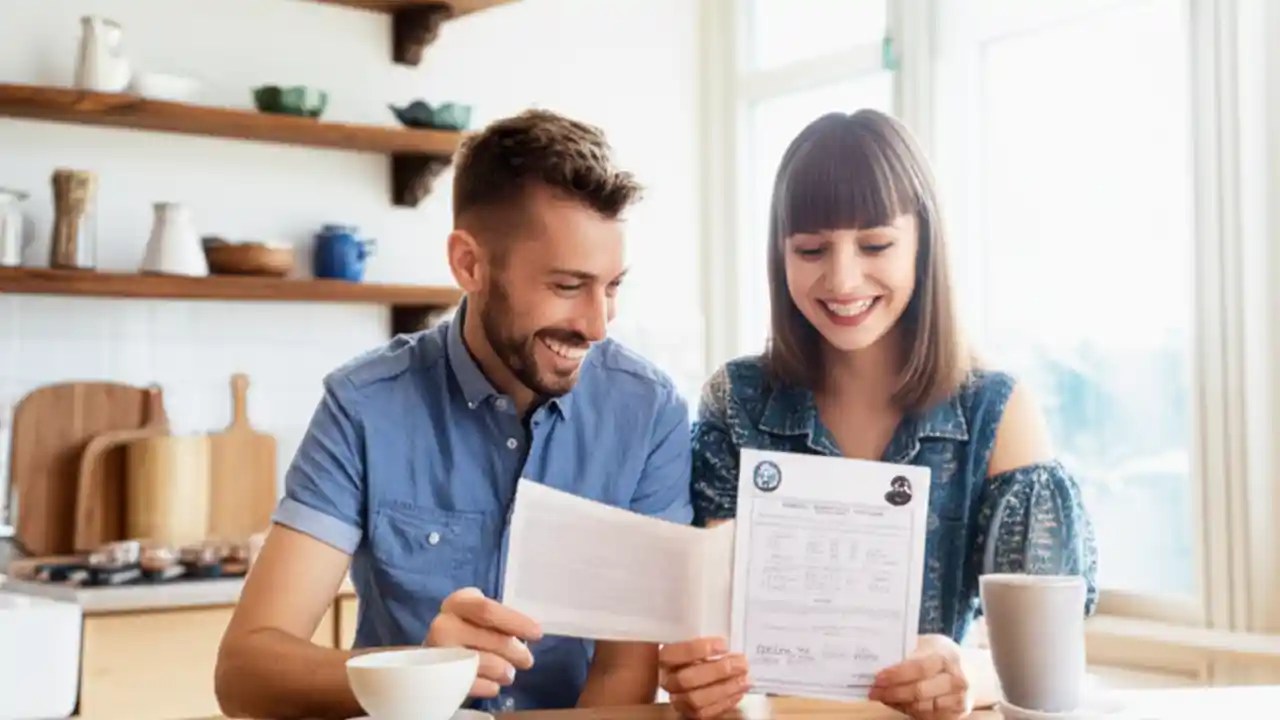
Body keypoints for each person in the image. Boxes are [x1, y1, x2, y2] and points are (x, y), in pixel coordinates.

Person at [214, 109, 694, 719]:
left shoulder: (649, 414)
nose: (598, 325)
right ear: (469, 265)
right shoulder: (364, 405)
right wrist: (418, 672)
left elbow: (625, 674)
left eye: (612, 286)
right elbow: (245, 671)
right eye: (568, 287)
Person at [659, 109, 1098, 720]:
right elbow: (709, 619)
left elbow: (1046, 661)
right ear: (778, 255)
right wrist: (697, 676)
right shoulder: (736, 401)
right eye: (811, 249)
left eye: (876, 245)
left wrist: (959, 673)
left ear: (924, 243)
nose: (842, 279)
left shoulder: (996, 409)